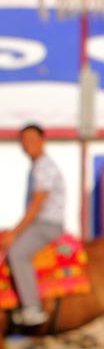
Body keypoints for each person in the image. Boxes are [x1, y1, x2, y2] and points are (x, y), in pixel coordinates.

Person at [0, 124, 66, 326]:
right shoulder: (37, 166)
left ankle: (32, 307)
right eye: (24, 141)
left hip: (46, 224)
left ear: (42, 140)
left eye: (32, 140)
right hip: (39, 222)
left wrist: (16, 232)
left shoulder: (44, 167)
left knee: (17, 253)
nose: (27, 145)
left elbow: (37, 204)